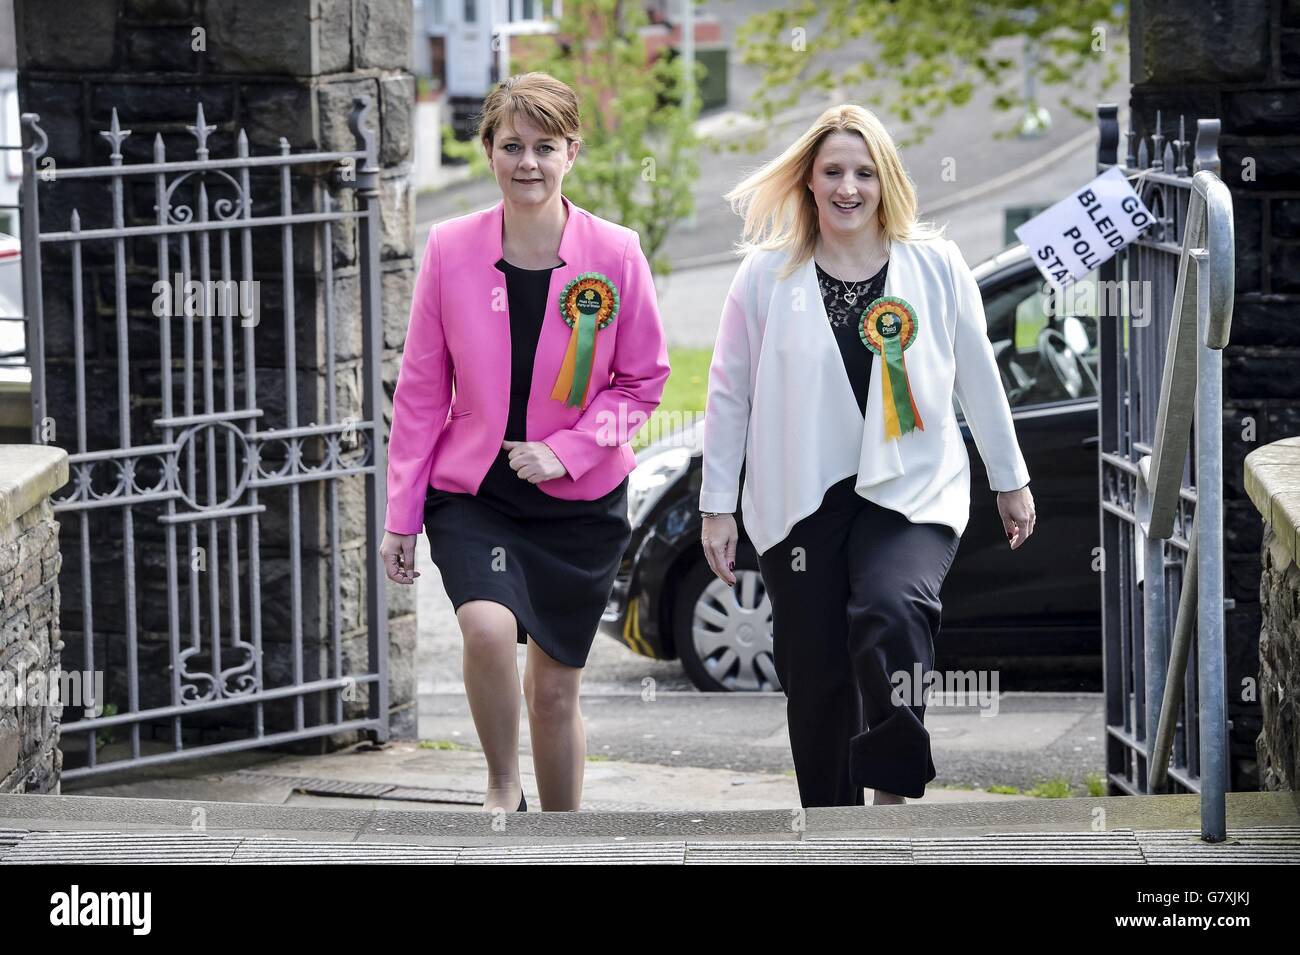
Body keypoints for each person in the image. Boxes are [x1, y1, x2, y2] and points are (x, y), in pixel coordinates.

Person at [698, 104, 1036, 808]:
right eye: (833, 172)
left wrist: (1011, 481)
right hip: (800, 498)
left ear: (886, 180)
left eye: (863, 172)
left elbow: (979, 372)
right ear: (809, 183)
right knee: (814, 669)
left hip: (909, 490)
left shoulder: (936, 264)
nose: (849, 187)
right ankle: (829, 825)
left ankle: (890, 791)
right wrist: (716, 505)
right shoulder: (764, 278)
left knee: (892, 609)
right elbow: (728, 393)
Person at [381, 72, 670, 813]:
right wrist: (401, 514)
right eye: (512, 146)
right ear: (487, 151)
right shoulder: (448, 249)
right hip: (476, 490)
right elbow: (419, 391)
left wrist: (569, 448)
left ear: (572, 150)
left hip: (579, 502)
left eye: (545, 146)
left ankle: (563, 834)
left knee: (553, 689)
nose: (528, 163)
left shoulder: (618, 250)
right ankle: (502, 784)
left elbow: (643, 381)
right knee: (484, 624)